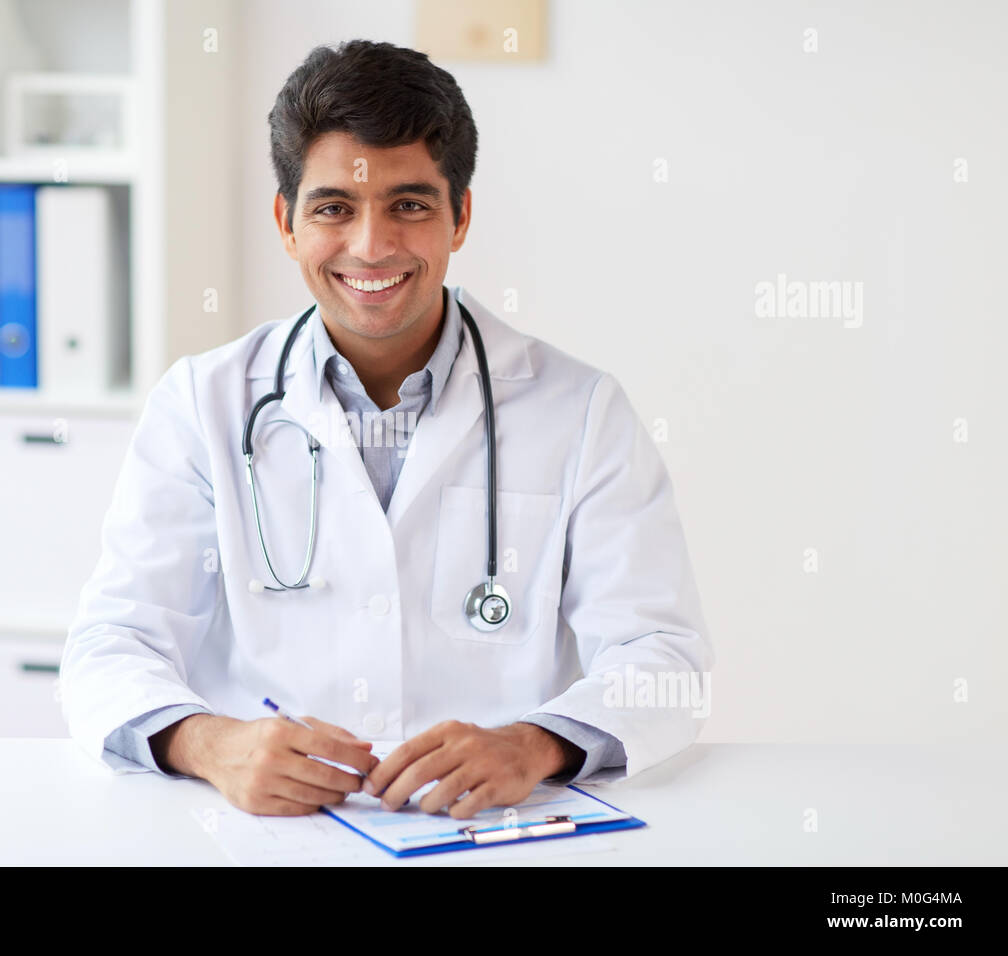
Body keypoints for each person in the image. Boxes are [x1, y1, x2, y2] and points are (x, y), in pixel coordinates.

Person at [60, 39, 713, 819]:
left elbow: (664, 657)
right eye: (334, 207)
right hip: (272, 836)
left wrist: (535, 743)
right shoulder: (203, 404)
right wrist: (211, 744)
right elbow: (110, 646)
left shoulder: (579, 409)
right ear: (287, 221)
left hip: (492, 832)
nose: (371, 246)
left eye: (409, 204)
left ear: (460, 216)